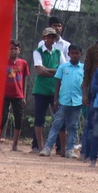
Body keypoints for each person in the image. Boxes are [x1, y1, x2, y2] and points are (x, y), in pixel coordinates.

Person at [47, 44, 86, 158]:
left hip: (77, 101)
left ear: (81, 54)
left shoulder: (83, 68)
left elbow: (85, 85)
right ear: (68, 54)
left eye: (77, 53)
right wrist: (55, 100)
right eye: (72, 53)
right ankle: (48, 147)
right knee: (56, 124)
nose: (75, 55)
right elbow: (58, 84)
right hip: (63, 100)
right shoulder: (63, 67)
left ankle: (70, 150)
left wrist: (84, 97)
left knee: (73, 126)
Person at [30, 24, 63, 153]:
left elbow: (63, 69)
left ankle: (60, 147)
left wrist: (47, 70)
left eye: (52, 37)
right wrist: (56, 72)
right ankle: (38, 146)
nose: (50, 39)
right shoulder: (37, 52)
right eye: (48, 37)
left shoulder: (58, 52)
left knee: (59, 117)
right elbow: (39, 71)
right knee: (39, 118)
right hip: (41, 89)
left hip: (55, 89)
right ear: (44, 37)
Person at [1, 39, 28, 150]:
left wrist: (24, 96)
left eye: (15, 49)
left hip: (18, 95)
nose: (13, 51)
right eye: (11, 49)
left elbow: (24, 80)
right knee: (2, 118)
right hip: (4, 94)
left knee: (18, 119)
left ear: (19, 50)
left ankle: (15, 145)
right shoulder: (3, 62)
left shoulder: (23, 63)